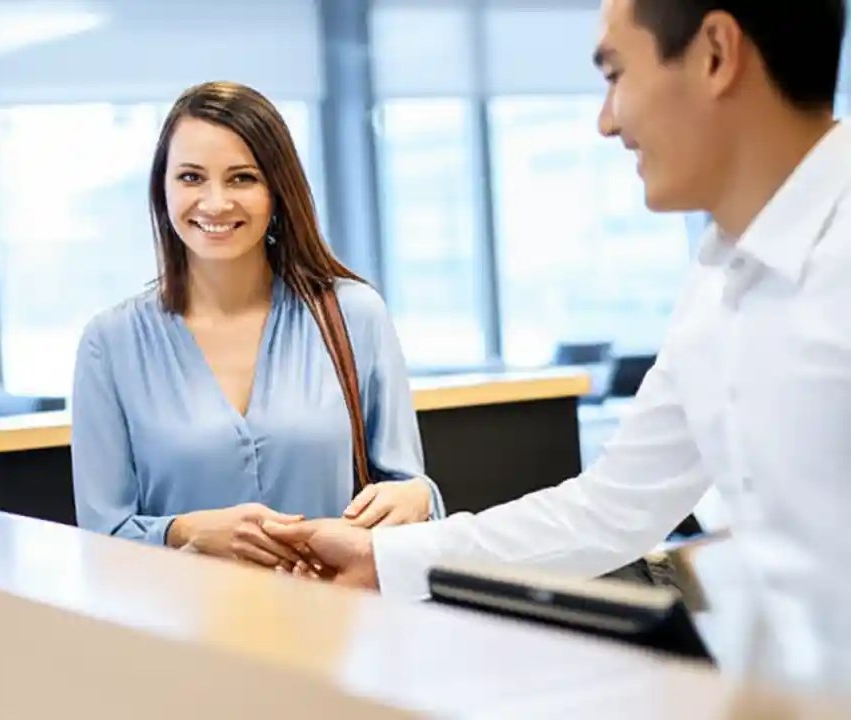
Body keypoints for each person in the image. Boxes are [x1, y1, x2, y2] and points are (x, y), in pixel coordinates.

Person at [265, 0, 851, 691]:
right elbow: (612, 507)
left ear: (716, 55)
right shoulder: (717, 281)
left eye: (615, 74)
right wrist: (383, 559)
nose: (607, 121)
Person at [70, 81, 443, 571]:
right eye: (191, 177)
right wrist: (189, 531)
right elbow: (101, 536)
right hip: (177, 634)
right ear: (162, 190)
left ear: (277, 191)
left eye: (242, 178)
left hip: (339, 625)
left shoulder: (355, 315)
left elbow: (410, 489)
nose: (216, 202)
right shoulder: (110, 343)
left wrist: (417, 497)